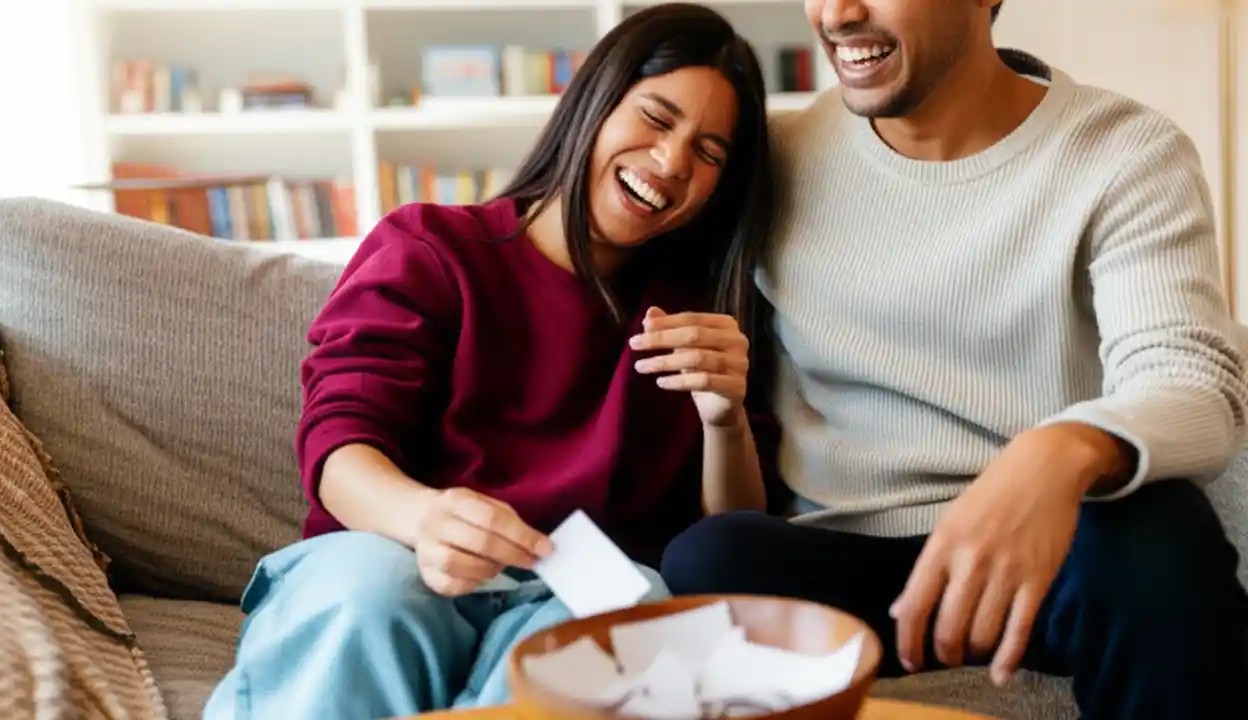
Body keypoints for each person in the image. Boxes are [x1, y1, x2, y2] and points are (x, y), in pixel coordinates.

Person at [660, 1, 1248, 719]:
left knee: (1158, 536)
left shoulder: (1124, 150)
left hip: (1046, 557)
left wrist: (1059, 450)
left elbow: (1192, 383)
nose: (837, 14)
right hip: (839, 562)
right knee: (709, 558)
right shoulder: (773, 158)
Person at [199, 4, 775, 720]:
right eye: (656, 119)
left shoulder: (700, 319)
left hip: (575, 591)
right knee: (369, 596)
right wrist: (424, 517)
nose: (672, 162)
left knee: (635, 625)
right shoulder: (433, 247)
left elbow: (733, 541)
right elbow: (339, 447)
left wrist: (724, 421)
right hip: (396, 553)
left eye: (710, 153)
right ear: (593, 104)